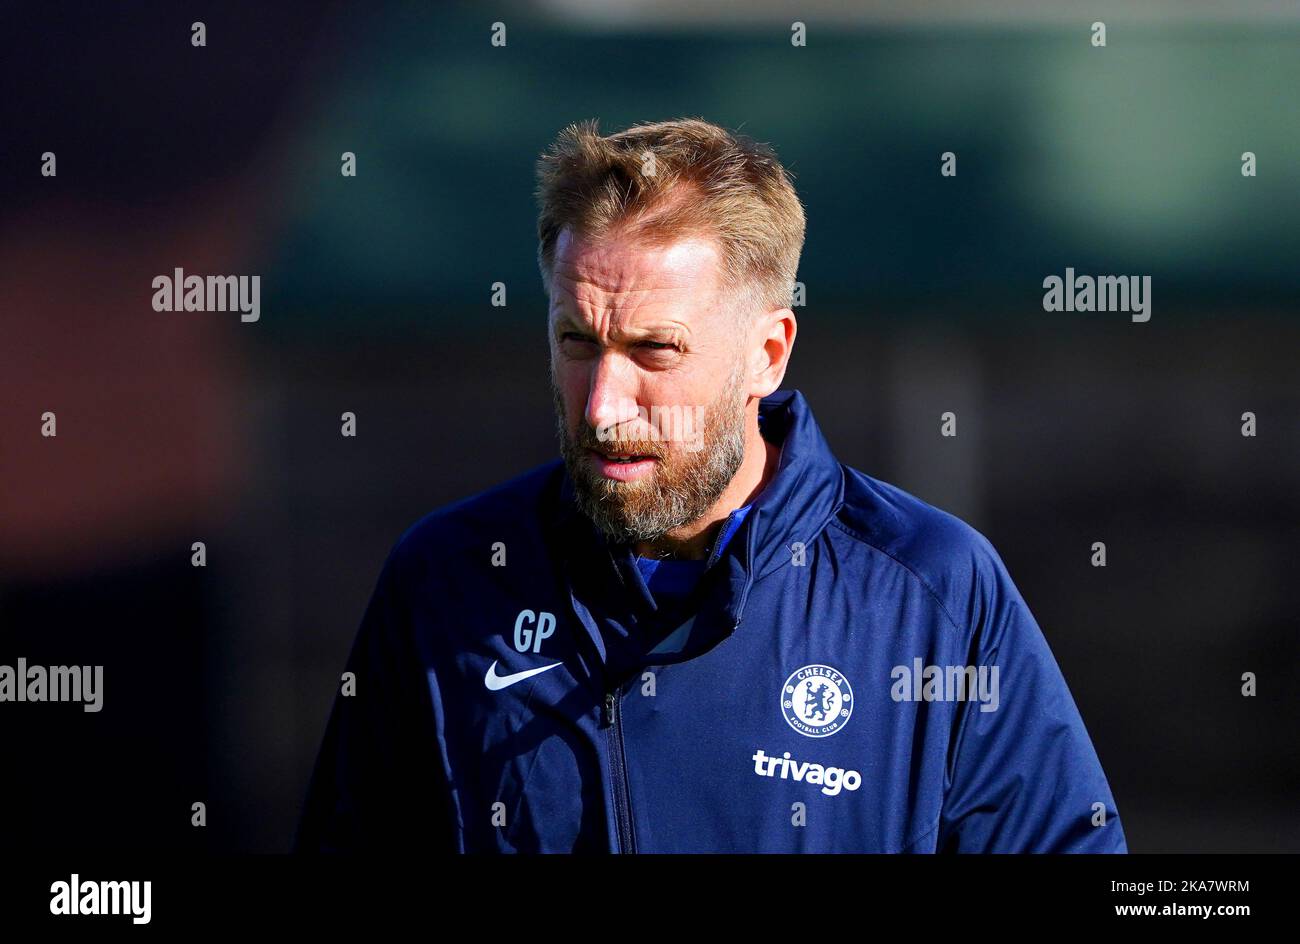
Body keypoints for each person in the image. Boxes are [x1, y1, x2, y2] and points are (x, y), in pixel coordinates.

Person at [296, 118, 1127, 853]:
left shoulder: (932, 594)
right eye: (577, 341)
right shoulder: (446, 581)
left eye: (657, 351)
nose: (604, 408)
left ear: (767, 354)